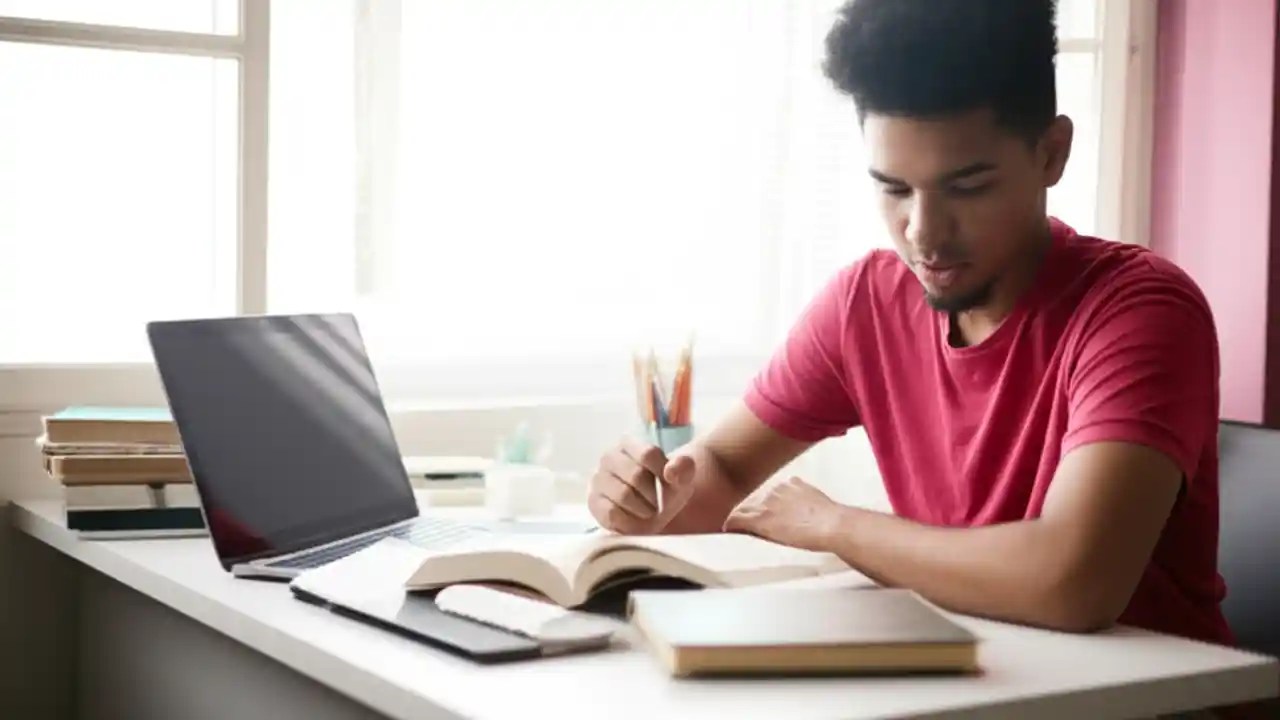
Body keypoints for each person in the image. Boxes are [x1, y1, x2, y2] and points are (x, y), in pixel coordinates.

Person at [587, 0, 1233, 647]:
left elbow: (1073, 582)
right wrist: (649, 498)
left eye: (967, 187)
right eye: (894, 189)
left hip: (1158, 701)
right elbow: (722, 473)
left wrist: (834, 525)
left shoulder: (1139, 311)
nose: (923, 233)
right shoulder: (865, 303)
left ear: (1052, 154)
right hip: (978, 683)